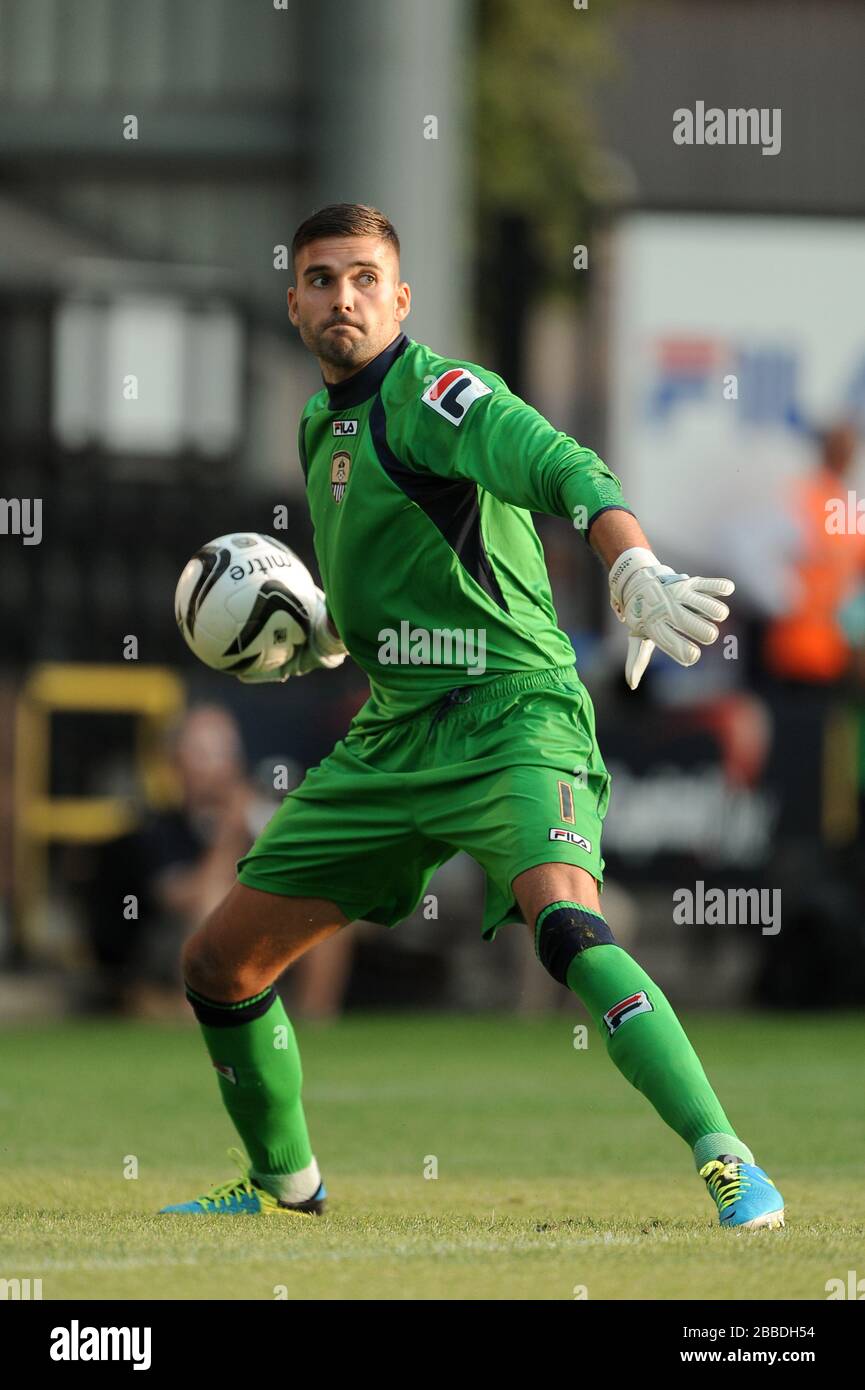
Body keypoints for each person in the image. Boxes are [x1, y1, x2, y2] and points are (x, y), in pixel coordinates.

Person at [159, 204, 784, 1229]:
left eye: (364, 278)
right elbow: (399, 574)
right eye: (321, 280)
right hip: (396, 730)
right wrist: (330, 635)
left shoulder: (442, 397)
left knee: (568, 922)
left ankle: (726, 1158)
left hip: (510, 714)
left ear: (401, 299)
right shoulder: (322, 422)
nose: (343, 298)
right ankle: (286, 1187)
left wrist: (627, 560)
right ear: (294, 304)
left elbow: (564, 467)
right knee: (219, 963)